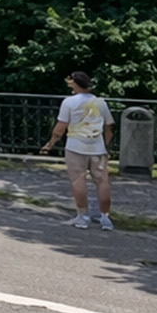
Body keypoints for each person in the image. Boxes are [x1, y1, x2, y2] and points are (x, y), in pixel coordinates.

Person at [42, 71, 116, 230]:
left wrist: (51, 143)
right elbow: (109, 127)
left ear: (75, 84)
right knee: (102, 181)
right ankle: (105, 218)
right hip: (97, 148)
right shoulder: (100, 102)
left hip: (75, 147)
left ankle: (83, 216)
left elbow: (60, 128)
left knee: (78, 180)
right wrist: (106, 145)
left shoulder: (69, 102)